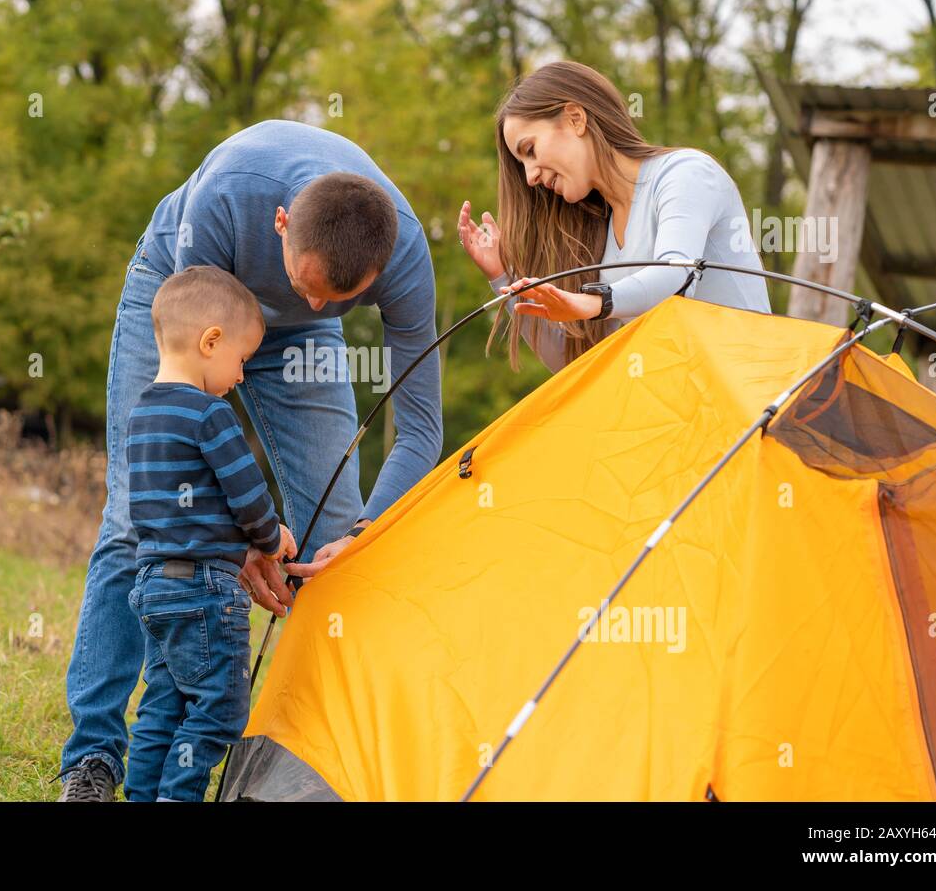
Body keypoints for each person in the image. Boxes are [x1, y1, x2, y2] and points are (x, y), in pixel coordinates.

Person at [59, 120, 443, 800]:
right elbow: (180, 419)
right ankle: (93, 760)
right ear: (280, 223)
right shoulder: (229, 193)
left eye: (342, 298)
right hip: (187, 298)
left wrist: (360, 536)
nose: (319, 303)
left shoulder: (403, 257)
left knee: (337, 542)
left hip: (300, 345)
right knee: (136, 519)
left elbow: (418, 431)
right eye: (307, 284)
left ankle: (320, 765)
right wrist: (232, 536)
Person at [458, 61, 770, 372]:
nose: (530, 177)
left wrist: (593, 303)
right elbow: (579, 366)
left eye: (530, 150)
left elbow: (677, 274)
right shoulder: (600, 235)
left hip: (750, 400)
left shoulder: (686, 174)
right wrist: (502, 275)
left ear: (575, 119)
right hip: (687, 411)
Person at [122, 266, 297, 802]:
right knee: (219, 709)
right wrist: (271, 540)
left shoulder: (141, 415)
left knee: (162, 705)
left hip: (153, 586)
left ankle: (142, 794)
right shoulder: (211, 414)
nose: (241, 375)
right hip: (203, 593)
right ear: (210, 341)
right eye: (240, 360)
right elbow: (247, 494)